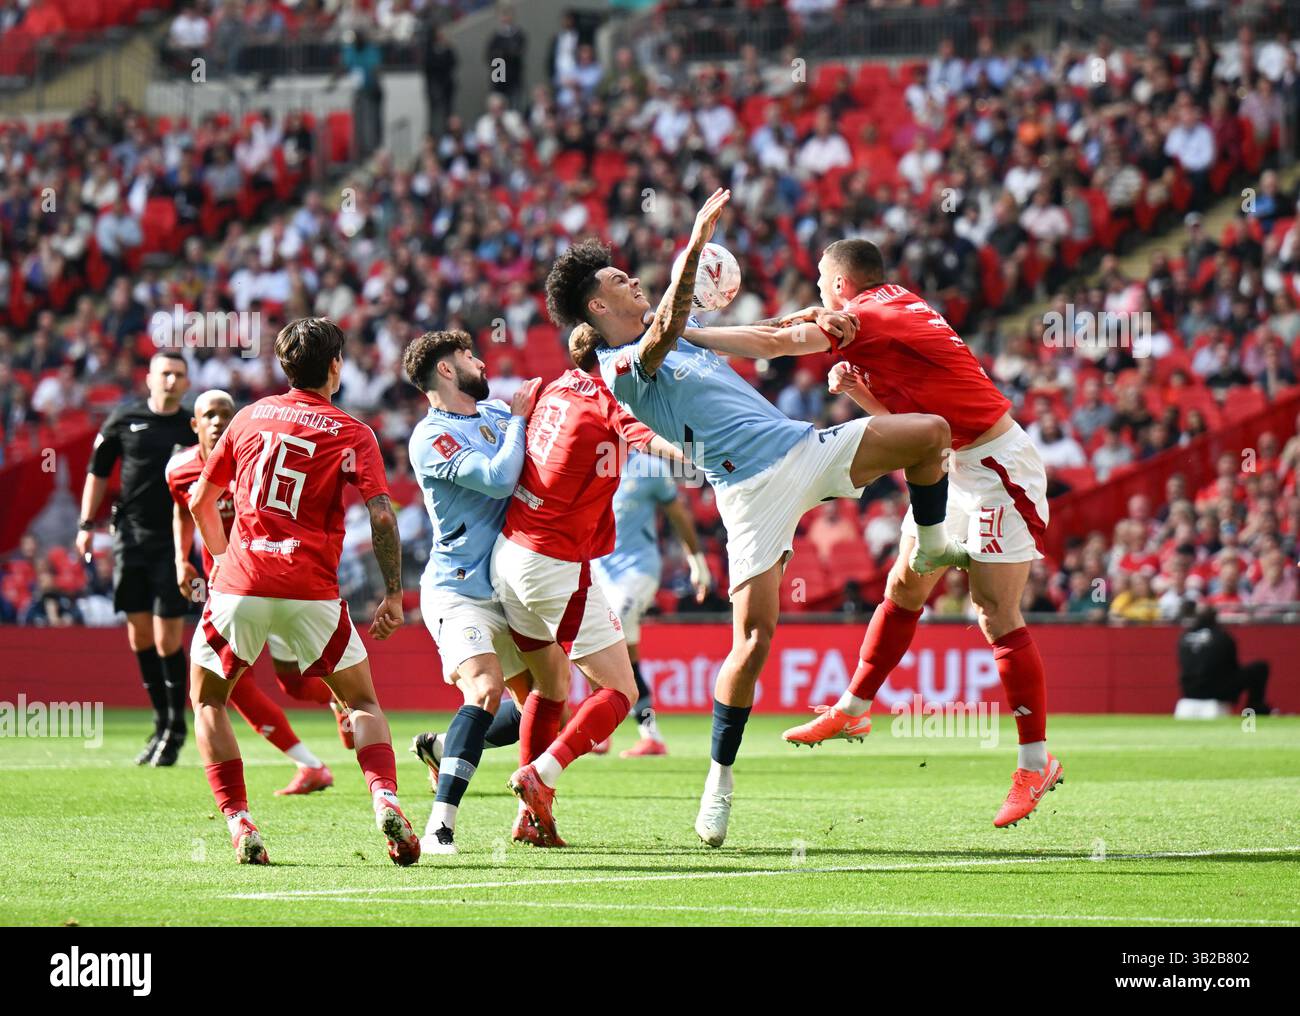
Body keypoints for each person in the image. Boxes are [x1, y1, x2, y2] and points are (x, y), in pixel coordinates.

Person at [553, 191, 958, 846]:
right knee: (754, 641)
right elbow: (662, 328)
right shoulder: (621, 365)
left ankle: (934, 545)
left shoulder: (682, 335)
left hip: (800, 448)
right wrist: (695, 239)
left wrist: (826, 322)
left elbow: (765, 336)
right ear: (599, 308)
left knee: (931, 433)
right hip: (745, 494)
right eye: (620, 281)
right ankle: (719, 779)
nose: (634, 281)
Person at [683, 237, 1064, 829]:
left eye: (818, 280)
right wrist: (860, 391)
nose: (814, 289)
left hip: (995, 467)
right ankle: (855, 708)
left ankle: (1034, 762)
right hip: (954, 463)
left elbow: (782, 342)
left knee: (995, 613)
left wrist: (694, 335)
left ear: (839, 283)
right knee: (904, 588)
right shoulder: (894, 310)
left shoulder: (870, 314)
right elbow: (914, 427)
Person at [185, 317, 418, 865]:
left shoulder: (247, 418)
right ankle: (384, 797)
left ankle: (241, 822)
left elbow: (201, 500)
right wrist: (392, 593)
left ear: (285, 365)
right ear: (335, 366)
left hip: (241, 582)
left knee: (209, 700)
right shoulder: (352, 431)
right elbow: (382, 518)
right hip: (311, 588)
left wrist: (223, 560)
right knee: (360, 701)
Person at [493, 348, 683, 846]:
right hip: (554, 563)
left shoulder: (550, 387)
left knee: (548, 688)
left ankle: (530, 818)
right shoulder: (608, 398)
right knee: (621, 692)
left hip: (508, 552)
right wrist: (722, 454)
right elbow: (659, 444)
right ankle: (544, 773)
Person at [401, 330, 545, 855]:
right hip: (458, 589)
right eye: (467, 356)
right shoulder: (431, 436)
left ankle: (444, 746)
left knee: (542, 708)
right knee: (482, 689)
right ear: (444, 370)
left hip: (510, 587)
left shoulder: (493, 418)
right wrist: (523, 418)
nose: (480, 361)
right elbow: (500, 477)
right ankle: (440, 826)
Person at [166, 390, 343, 797]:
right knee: (233, 684)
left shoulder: (257, 456)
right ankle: (310, 763)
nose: (217, 421)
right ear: (195, 425)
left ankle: (337, 703)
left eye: (225, 414)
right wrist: (181, 558)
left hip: (277, 577)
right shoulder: (179, 468)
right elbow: (185, 506)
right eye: (208, 415)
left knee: (295, 685)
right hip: (228, 590)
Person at [77, 351, 197, 767]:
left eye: (179, 375)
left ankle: (176, 730)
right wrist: (85, 524)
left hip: (173, 542)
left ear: (186, 382)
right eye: (165, 373)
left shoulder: (193, 427)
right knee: (139, 638)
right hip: (130, 538)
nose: (171, 380)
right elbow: (98, 470)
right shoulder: (123, 420)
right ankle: (161, 723)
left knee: (168, 639)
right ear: (149, 378)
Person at [592, 448, 711, 757]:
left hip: (638, 570)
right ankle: (645, 736)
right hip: (598, 572)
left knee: (607, 637)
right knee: (619, 658)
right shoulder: (588, 464)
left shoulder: (648, 467)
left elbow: (678, 514)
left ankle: (605, 728)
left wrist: (697, 563)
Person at [1177, 605, 1272, 714]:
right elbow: (1232, 666)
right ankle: (1254, 711)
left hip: (1189, 692)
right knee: (1260, 667)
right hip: (1216, 691)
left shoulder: (1184, 637)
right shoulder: (1222, 636)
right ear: (1215, 618)